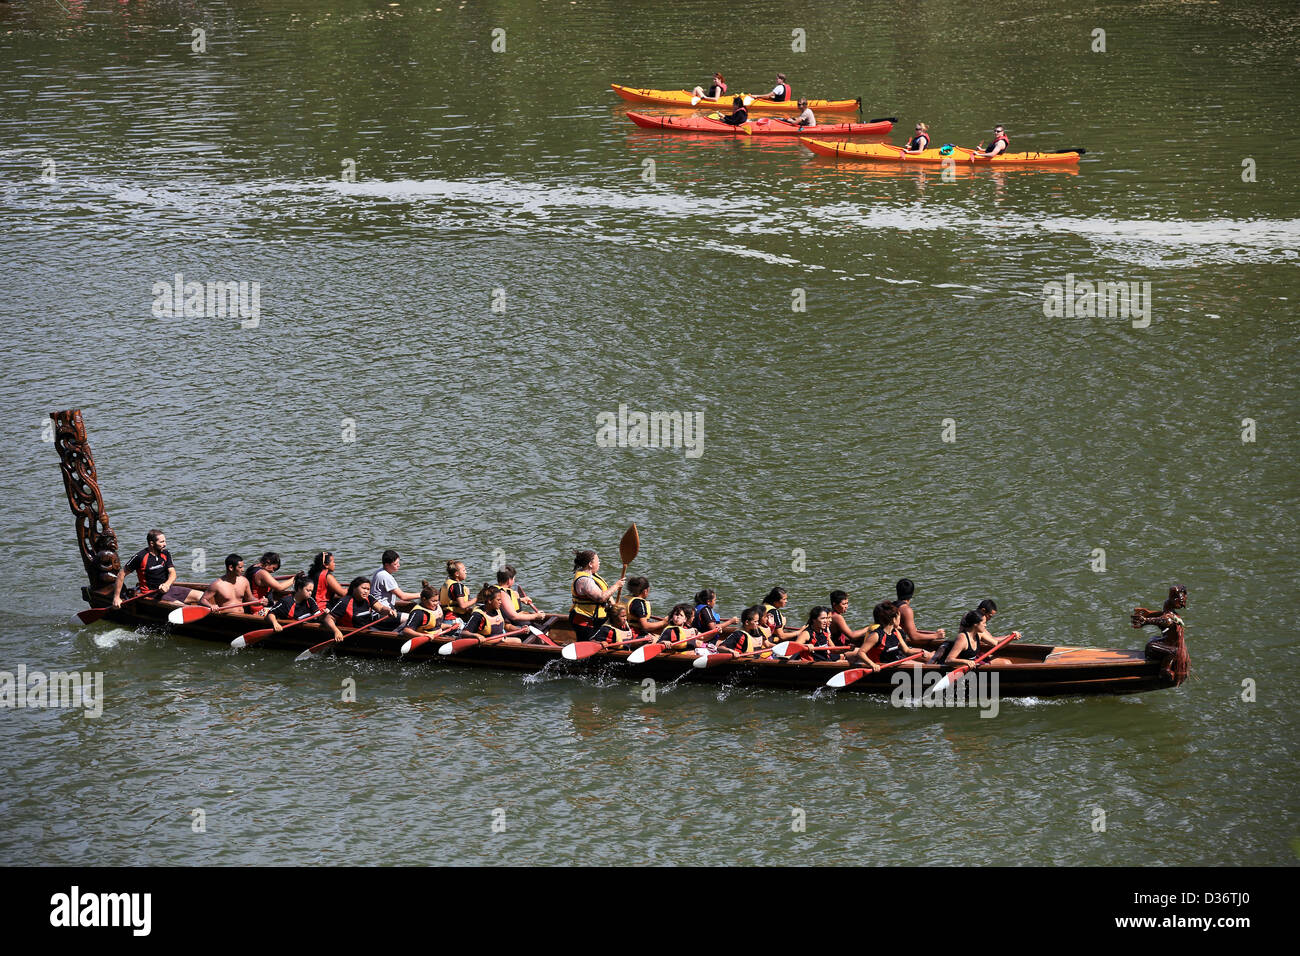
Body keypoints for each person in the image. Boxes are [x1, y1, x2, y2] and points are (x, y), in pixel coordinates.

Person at [112, 529, 194, 607]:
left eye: (165, 541)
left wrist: (167, 584)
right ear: (152, 543)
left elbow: (172, 573)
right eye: (161, 542)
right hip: (151, 594)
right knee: (182, 606)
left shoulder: (166, 553)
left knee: (202, 596)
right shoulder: (140, 557)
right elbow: (121, 574)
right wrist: (116, 597)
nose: (165, 544)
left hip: (168, 588)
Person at [1132, 586, 1190, 685]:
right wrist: (1147, 618)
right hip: (1163, 647)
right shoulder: (1169, 615)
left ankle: (1165, 668)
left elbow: (1163, 618)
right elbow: (1163, 618)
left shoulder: (1171, 615)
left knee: (1172, 651)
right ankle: (1165, 668)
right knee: (1167, 647)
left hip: (1171, 647)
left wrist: (1147, 619)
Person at [569, 550, 625, 642]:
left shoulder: (592, 576)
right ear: (590, 564)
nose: (599, 563)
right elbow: (601, 597)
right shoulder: (584, 580)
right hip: (585, 621)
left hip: (595, 620)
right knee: (587, 644)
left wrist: (615, 608)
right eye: (597, 561)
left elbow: (606, 593)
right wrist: (616, 586)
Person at [267, 572, 340, 637]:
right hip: (290, 631)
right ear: (299, 588)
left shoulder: (310, 600)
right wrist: (275, 623)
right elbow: (271, 613)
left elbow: (317, 616)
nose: (310, 593)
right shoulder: (286, 601)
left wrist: (324, 614)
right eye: (308, 590)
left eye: (311, 591)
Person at [852, 600, 921, 668]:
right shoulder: (876, 635)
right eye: (899, 616)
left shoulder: (896, 632)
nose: (900, 618)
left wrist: (920, 653)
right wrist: (872, 664)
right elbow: (860, 653)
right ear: (893, 619)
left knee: (921, 664)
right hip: (881, 666)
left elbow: (907, 650)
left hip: (894, 663)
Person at [936, 610, 1012, 666]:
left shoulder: (979, 634)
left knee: (1007, 663)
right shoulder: (963, 638)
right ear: (975, 624)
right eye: (984, 623)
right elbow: (948, 660)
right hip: (961, 665)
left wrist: (1011, 638)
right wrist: (966, 662)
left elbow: (997, 644)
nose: (985, 625)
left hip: (973, 662)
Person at [329, 576, 395, 631]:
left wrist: (389, 610)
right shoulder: (344, 602)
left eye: (368, 589)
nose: (366, 591)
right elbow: (328, 618)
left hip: (367, 629)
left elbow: (380, 608)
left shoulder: (369, 597)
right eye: (363, 588)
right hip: (352, 632)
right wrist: (336, 631)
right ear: (354, 588)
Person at [895, 578, 944, 649]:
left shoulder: (890, 606)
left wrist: (934, 633)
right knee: (932, 656)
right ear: (912, 593)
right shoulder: (906, 610)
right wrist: (936, 636)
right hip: (897, 648)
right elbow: (914, 637)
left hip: (892, 644)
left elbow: (912, 631)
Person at [371, 550, 418, 615]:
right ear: (387, 565)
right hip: (383, 612)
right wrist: (421, 595)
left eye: (398, 562)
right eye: (395, 564)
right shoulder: (385, 576)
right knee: (412, 617)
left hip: (385, 607)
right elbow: (403, 596)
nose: (398, 565)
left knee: (413, 605)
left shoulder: (380, 570)